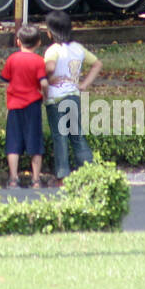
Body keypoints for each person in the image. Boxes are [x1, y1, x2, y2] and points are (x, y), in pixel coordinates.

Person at [41, 10, 102, 185]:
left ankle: (62, 174)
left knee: (60, 136)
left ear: (50, 32)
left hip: (55, 99)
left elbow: (50, 67)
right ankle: (88, 171)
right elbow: (97, 64)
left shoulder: (53, 50)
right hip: (73, 97)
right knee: (77, 135)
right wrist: (83, 85)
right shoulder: (78, 48)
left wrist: (45, 77)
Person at [0, 23, 49, 188]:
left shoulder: (12, 59)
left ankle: (13, 178)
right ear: (38, 43)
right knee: (35, 141)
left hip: (14, 105)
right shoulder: (39, 61)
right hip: (33, 106)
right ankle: (36, 179)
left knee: (13, 142)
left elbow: (7, 78)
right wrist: (45, 94)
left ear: (18, 41)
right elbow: (43, 82)